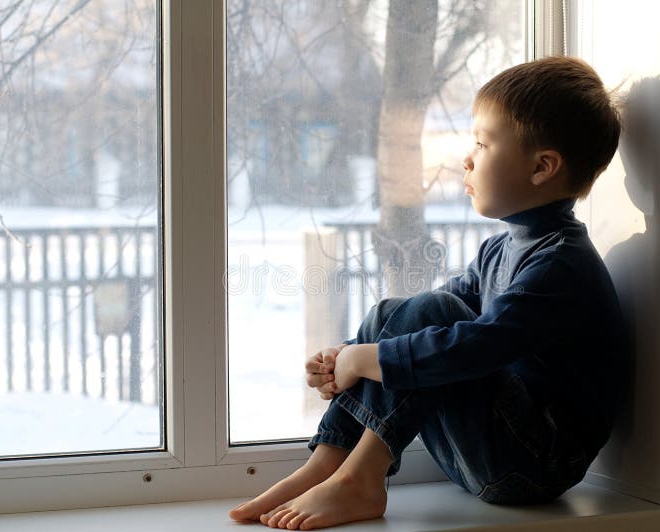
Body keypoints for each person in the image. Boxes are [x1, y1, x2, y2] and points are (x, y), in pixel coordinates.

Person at [229, 56, 629, 530]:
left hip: (534, 466)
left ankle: (361, 479)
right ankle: (329, 462)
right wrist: (349, 356)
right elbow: (416, 319)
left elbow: (472, 344)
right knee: (392, 313)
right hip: (492, 453)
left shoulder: (562, 265)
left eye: (482, 143)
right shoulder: (501, 249)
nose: (468, 158)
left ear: (542, 167)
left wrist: (361, 361)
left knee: (433, 316)